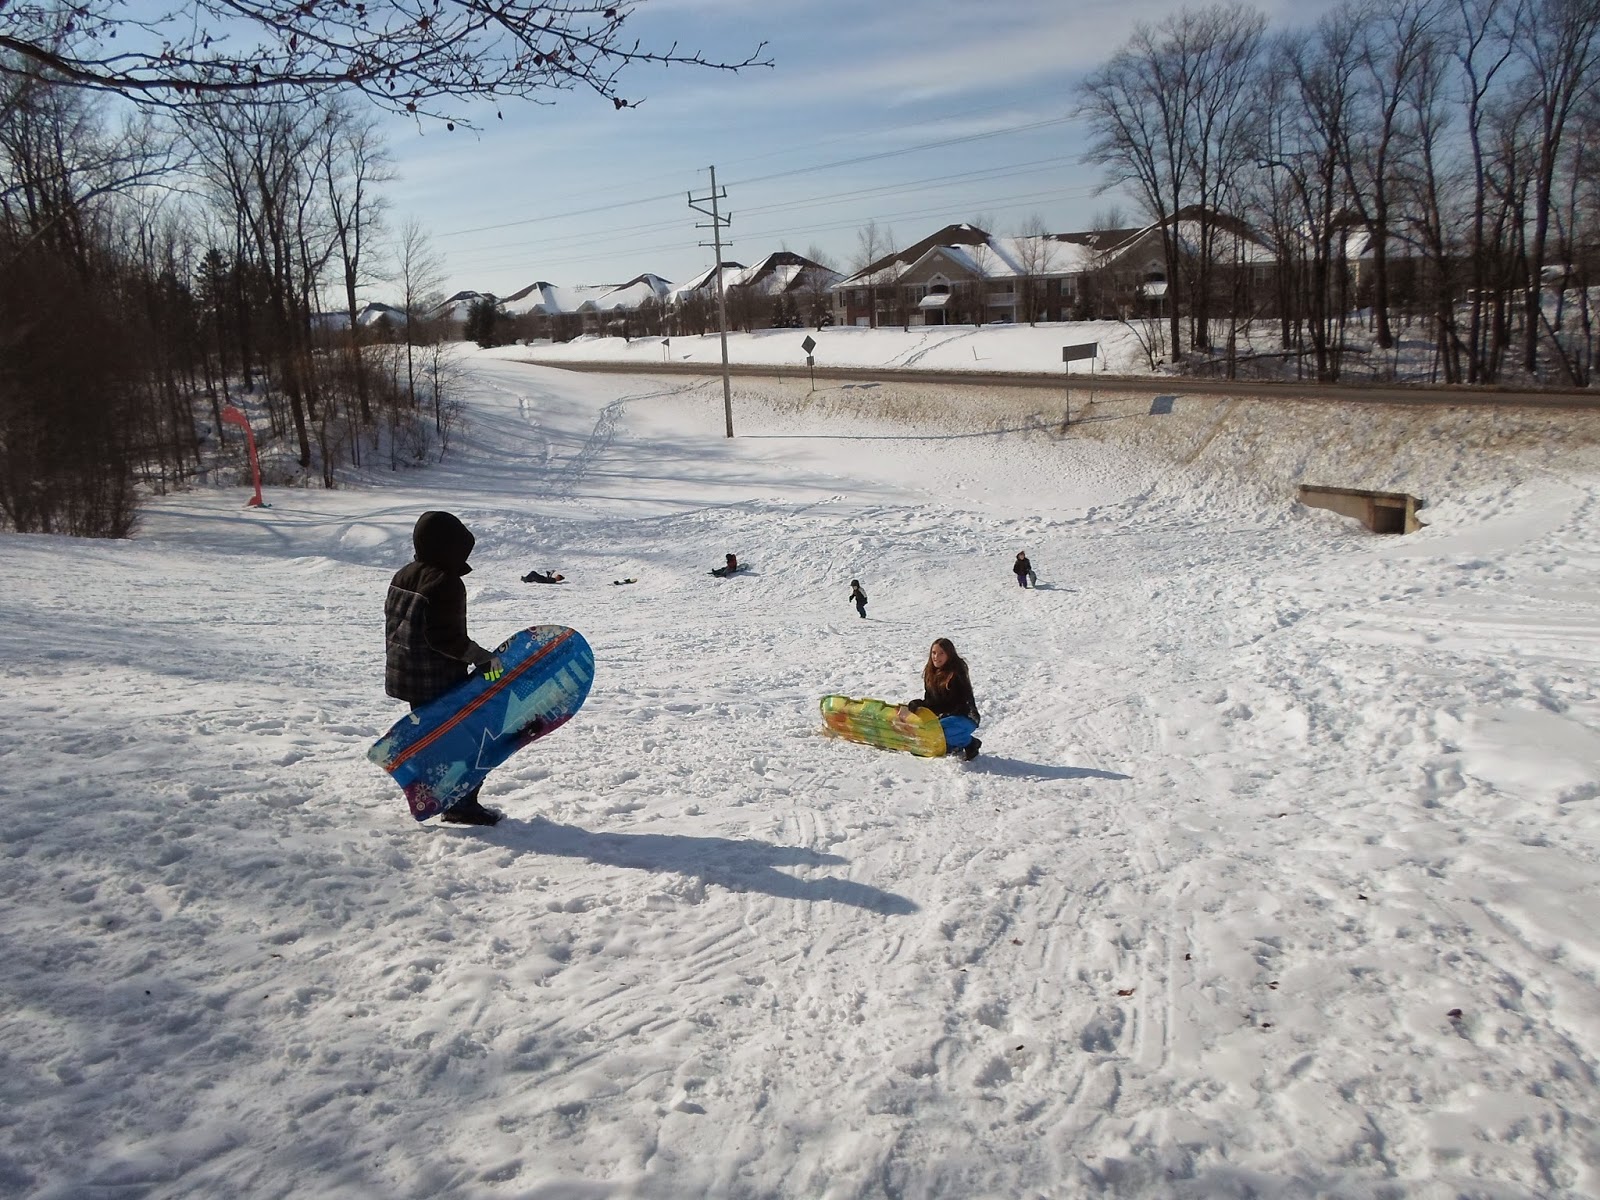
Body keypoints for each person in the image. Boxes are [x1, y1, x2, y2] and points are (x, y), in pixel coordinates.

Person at [385, 510, 506, 826]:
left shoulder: (404, 574)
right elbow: (446, 638)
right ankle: (460, 804)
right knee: (467, 741)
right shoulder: (445, 583)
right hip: (437, 679)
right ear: (448, 548)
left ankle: (438, 793)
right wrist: (484, 659)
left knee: (435, 739)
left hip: (409, 677)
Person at [903, 637, 982, 761]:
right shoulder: (930, 673)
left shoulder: (956, 673)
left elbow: (958, 703)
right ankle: (951, 744)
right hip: (946, 718)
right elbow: (932, 702)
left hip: (965, 716)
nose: (936, 657)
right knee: (928, 731)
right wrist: (919, 704)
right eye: (934, 653)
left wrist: (943, 714)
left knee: (940, 733)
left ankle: (970, 742)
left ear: (949, 655)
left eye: (941, 653)